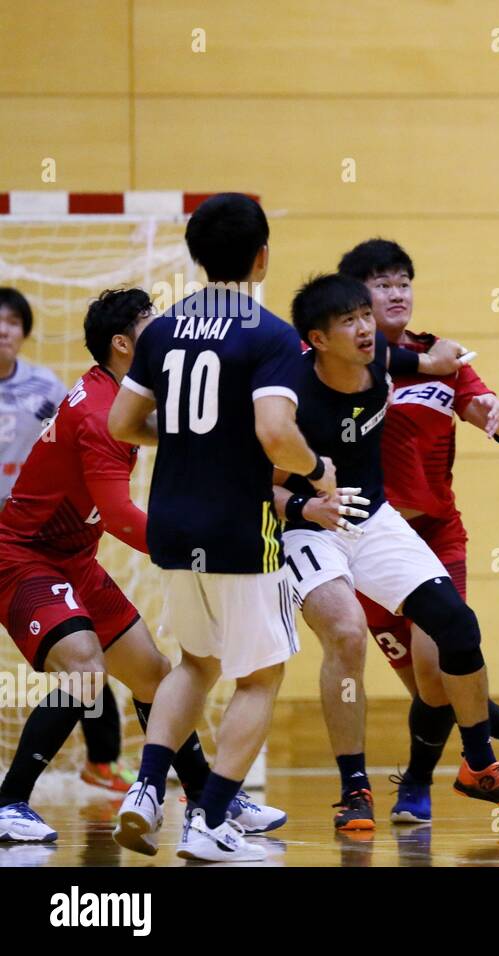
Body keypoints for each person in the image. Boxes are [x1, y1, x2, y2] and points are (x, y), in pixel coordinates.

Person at [0, 288, 282, 843]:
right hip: (23, 556)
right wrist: (190, 544)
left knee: (154, 675)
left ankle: (210, 800)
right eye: (154, 327)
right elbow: (117, 513)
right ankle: (9, 801)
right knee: (85, 669)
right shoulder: (100, 413)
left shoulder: (116, 391)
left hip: (73, 560)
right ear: (124, 344)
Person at [276, 272, 499, 830]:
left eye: (364, 315)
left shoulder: (380, 360)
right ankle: (355, 789)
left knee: (457, 625)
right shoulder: (289, 396)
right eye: (348, 320)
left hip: (372, 519)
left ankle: (479, 765)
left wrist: (454, 371)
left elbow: (425, 364)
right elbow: (248, 483)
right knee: (347, 636)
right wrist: (307, 509)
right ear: (317, 340)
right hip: (306, 526)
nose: (364, 328)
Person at [109, 194, 333, 862]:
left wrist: (182, 442)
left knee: (197, 662)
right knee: (260, 676)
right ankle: (208, 818)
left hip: (172, 524)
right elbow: (274, 434)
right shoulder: (269, 335)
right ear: (262, 258)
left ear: (196, 257)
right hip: (238, 528)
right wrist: (317, 468)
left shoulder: (161, 331)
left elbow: (123, 424)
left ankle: (144, 791)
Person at [338, 238, 499, 823]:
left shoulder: (445, 357)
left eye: (403, 282)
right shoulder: (339, 365)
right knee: (430, 691)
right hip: (360, 543)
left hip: (434, 536)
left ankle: (417, 784)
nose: (397, 292)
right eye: (382, 283)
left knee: (440, 669)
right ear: (353, 302)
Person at [0, 287, 131, 791]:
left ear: (25, 331)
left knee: (96, 651)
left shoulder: (48, 388)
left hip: (38, 533)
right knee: (85, 659)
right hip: (14, 543)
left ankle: (102, 760)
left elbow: (86, 441)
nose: (4, 330)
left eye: (13, 321)